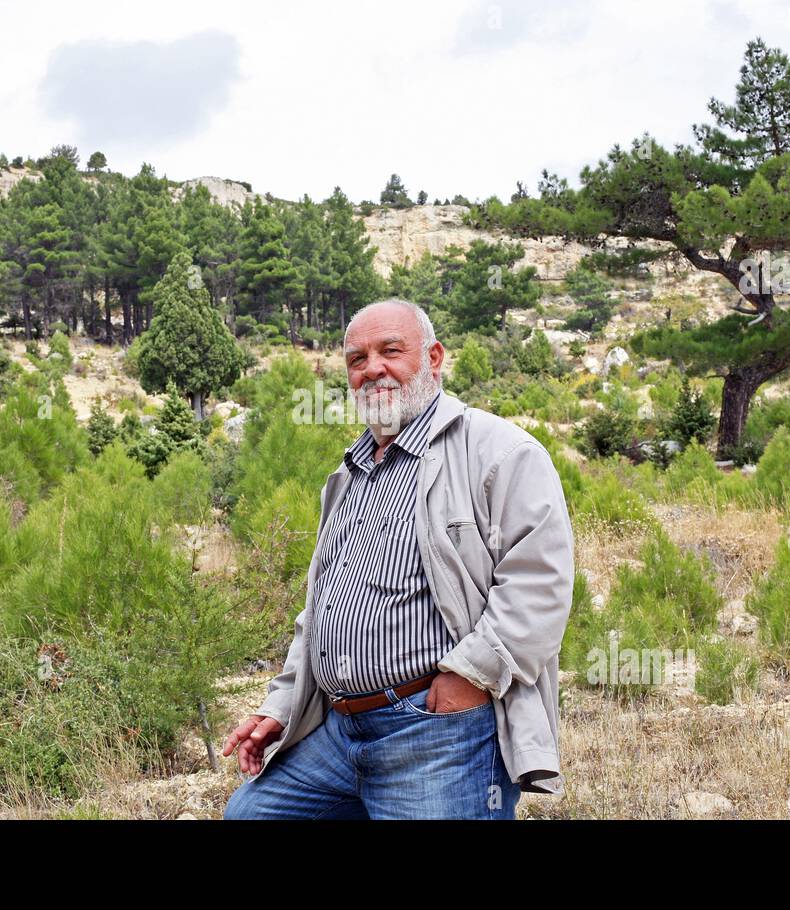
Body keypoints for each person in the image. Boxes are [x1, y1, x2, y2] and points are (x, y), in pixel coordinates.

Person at [222, 298, 574, 819]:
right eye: (357, 359)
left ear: (433, 358)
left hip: (437, 732)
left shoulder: (500, 452)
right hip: (339, 734)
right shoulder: (349, 474)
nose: (373, 370)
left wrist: (470, 676)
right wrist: (280, 707)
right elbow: (318, 611)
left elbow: (538, 583)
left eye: (390, 351)